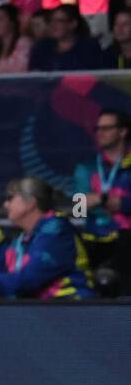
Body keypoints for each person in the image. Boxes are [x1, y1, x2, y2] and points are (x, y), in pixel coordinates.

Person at [0, 177, 93, 299]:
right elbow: (7, 279)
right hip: (40, 313)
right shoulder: (24, 238)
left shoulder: (56, 231)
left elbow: (27, 280)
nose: (5, 204)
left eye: (10, 198)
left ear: (30, 203)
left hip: (73, 309)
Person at [71, 109, 131, 282]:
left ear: (122, 131)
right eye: (97, 129)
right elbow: (78, 210)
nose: (100, 133)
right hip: (93, 240)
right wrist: (107, 200)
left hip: (126, 241)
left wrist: (99, 199)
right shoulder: (86, 168)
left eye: (106, 128)